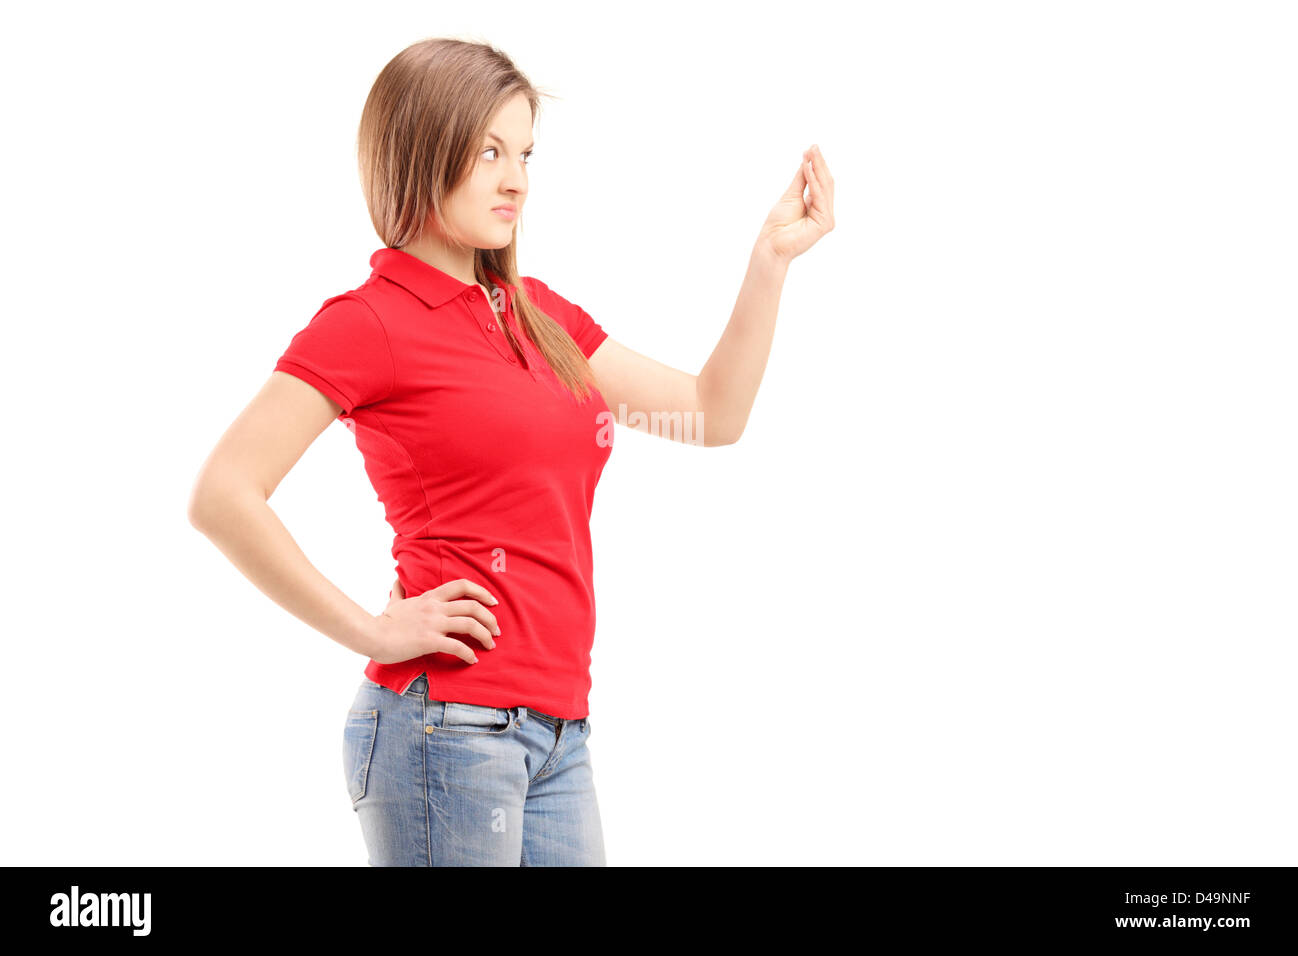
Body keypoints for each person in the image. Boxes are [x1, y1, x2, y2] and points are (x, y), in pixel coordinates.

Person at [186, 37, 834, 867]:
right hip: (444, 730)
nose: (517, 179)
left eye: (525, 152)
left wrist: (770, 261)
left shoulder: (540, 316)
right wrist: (374, 632)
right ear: (421, 146)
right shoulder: (368, 322)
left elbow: (711, 414)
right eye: (489, 150)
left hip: (560, 732)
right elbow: (223, 493)